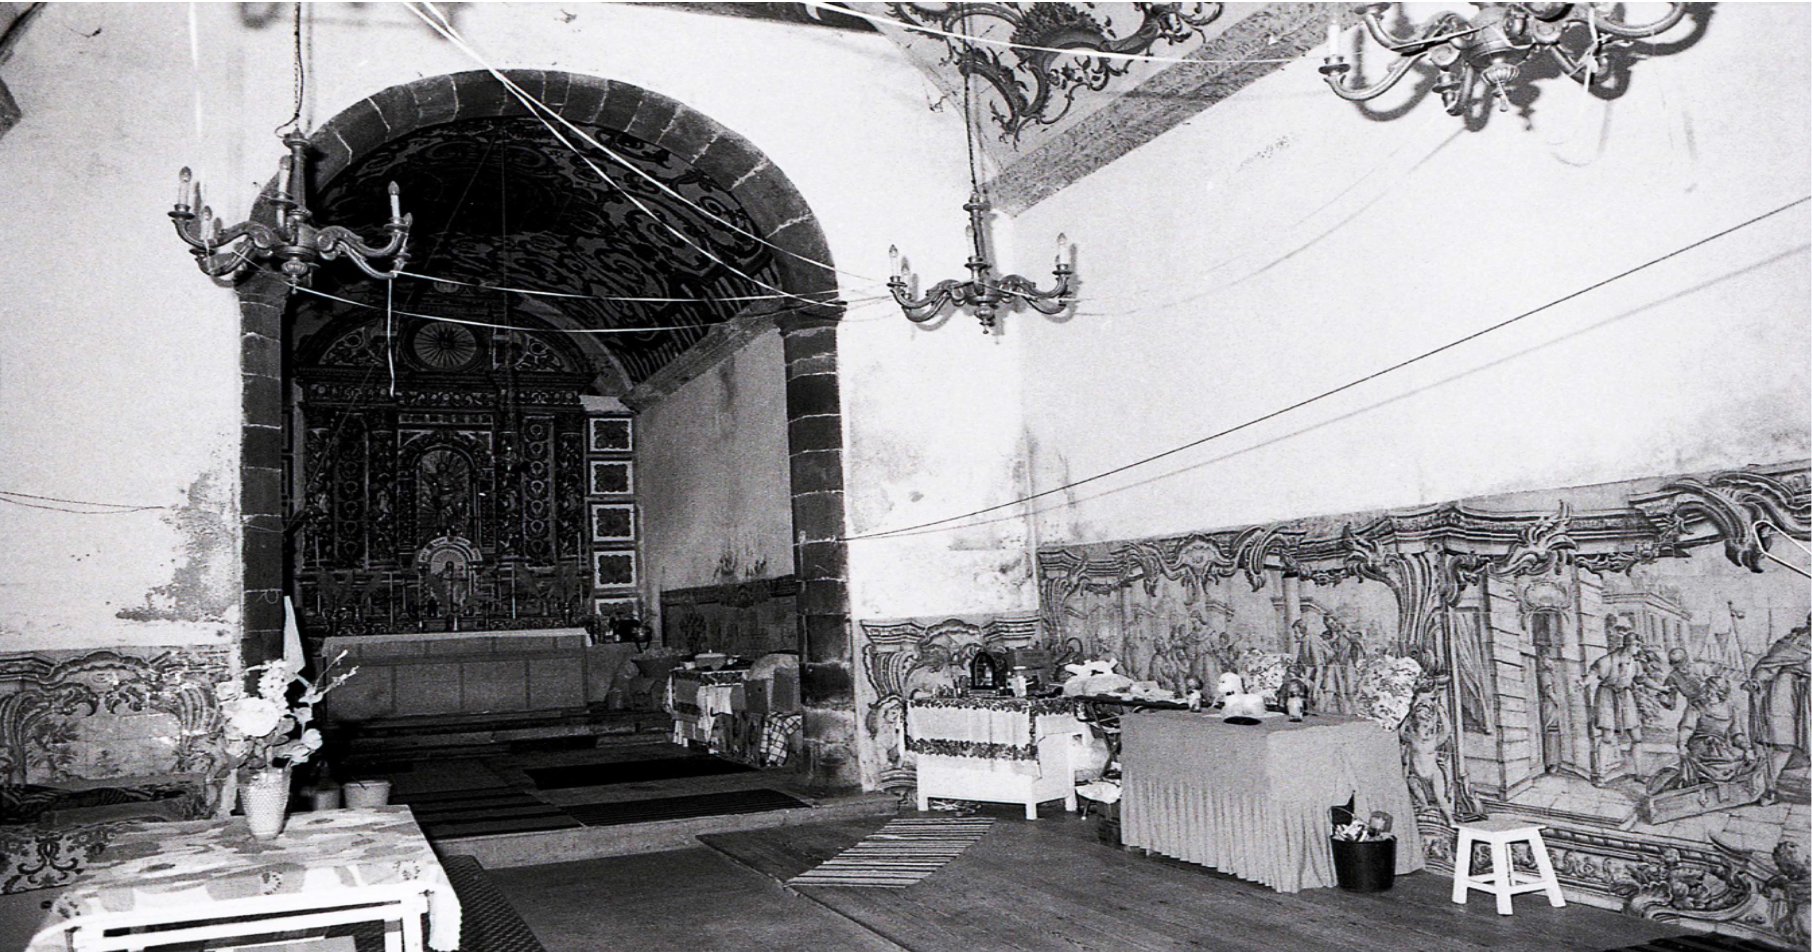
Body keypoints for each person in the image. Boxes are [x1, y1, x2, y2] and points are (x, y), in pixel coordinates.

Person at [1583, 614, 1649, 775]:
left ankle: (1639, 773)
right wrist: (1583, 683)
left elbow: (1643, 680)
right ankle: (1600, 773)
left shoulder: (1635, 663)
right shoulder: (1609, 659)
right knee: (1607, 736)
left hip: (1625, 696)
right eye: (1637, 645)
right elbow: (1594, 672)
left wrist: (1662, 688)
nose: (1638, 649)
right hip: (1607, 695)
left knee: (1636, 736)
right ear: (1628, 645)